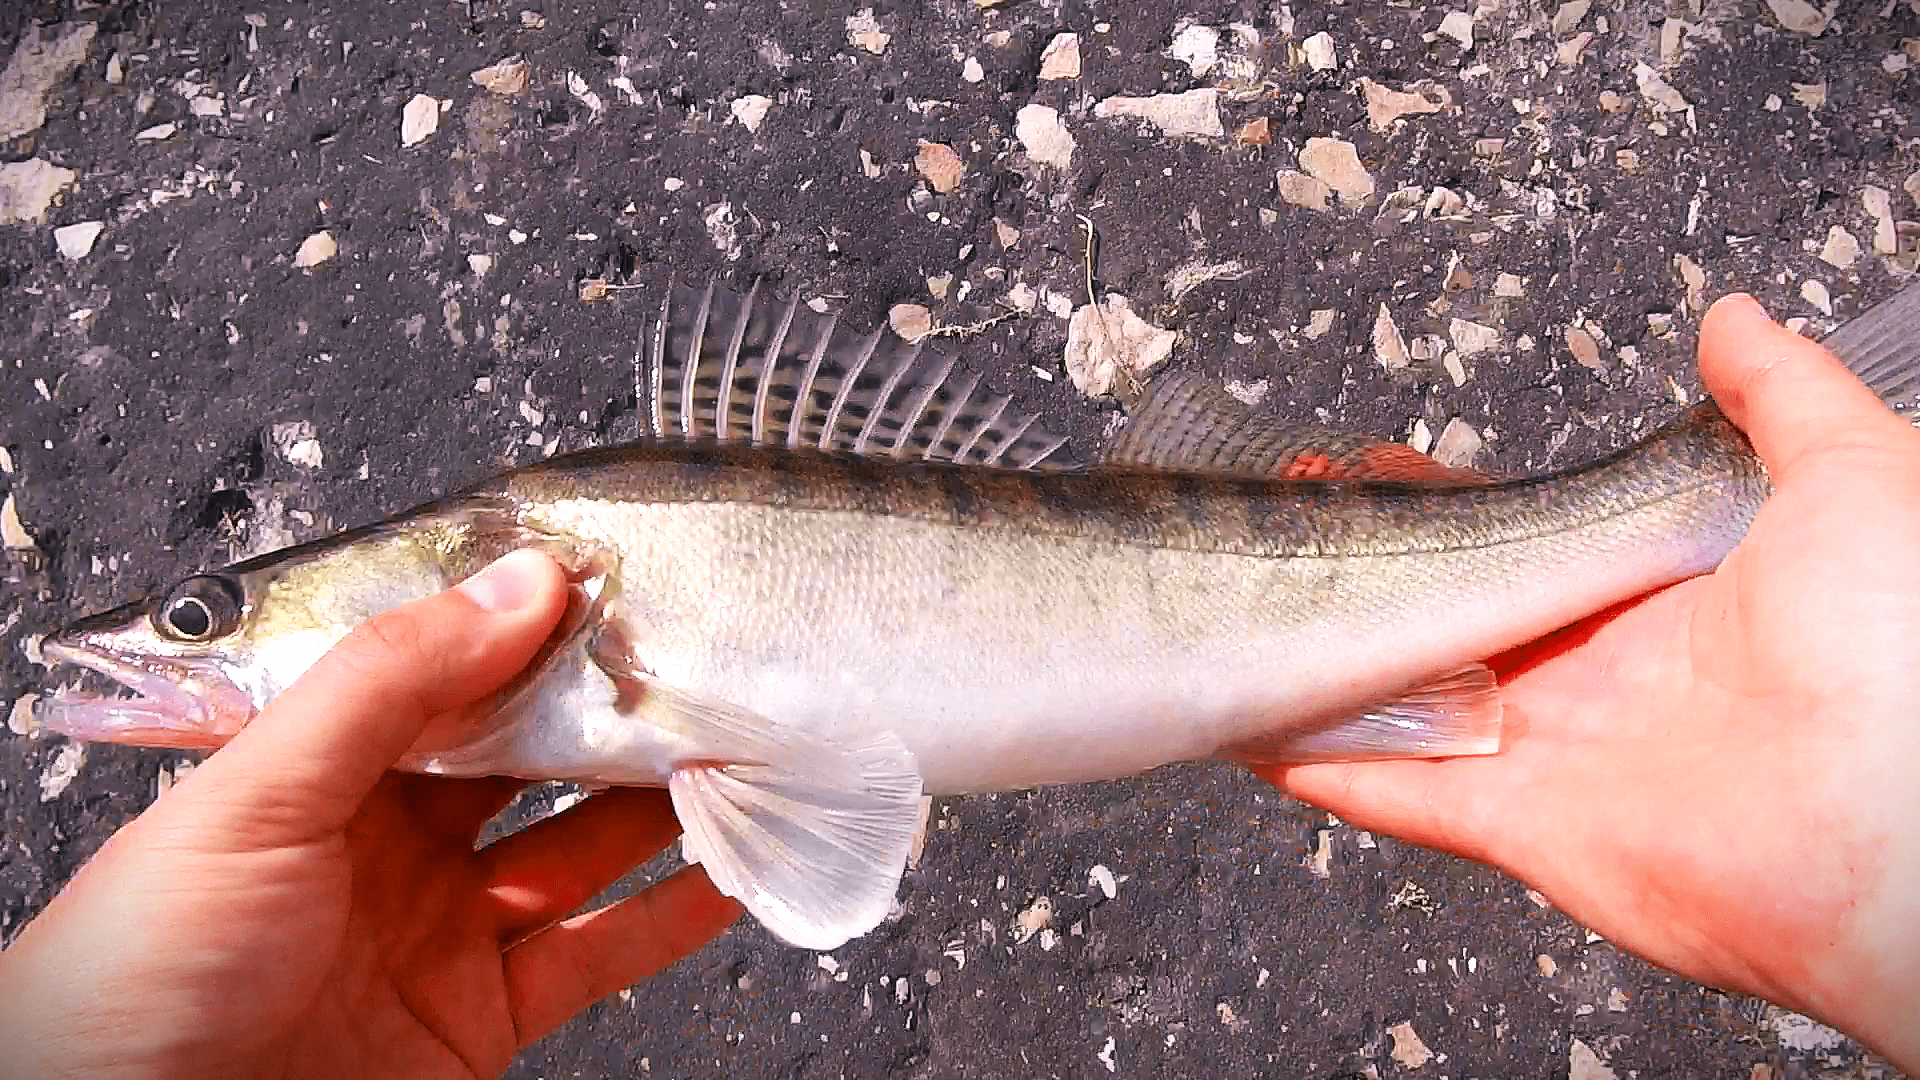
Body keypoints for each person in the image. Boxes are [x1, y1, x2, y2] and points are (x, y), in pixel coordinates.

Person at [0, 294, 1914, 1077]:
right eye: (203, 622)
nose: (197, 648)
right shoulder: (570, 639)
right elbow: (808, 833)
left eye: (208, 615)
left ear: (453, 587)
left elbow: (810, 843)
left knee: (1671, 501)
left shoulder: (577, 569)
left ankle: (1693, 501)